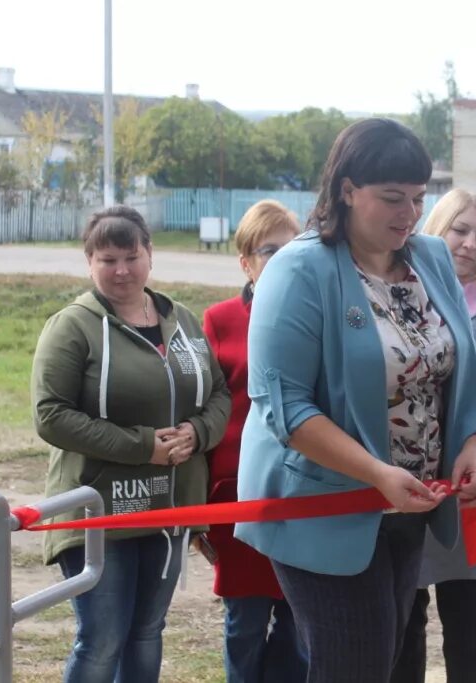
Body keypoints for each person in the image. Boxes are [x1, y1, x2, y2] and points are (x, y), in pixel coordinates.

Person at [234, 118, 476, 683]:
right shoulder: (298, 271)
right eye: (392, 198)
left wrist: (472, 445)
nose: (410, 214)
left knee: (391, 659)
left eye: (419, 199)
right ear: (347, 191)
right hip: (325, 508)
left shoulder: (430, 257)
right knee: (356, 664)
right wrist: (377, 473)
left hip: (404, 505)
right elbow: (287, 409)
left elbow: (465, 366)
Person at [31, 205, 231, 683]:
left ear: (149, 254)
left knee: (147, 631)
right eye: (107, 259)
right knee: (102, 639)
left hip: (171, 507)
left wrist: (197, 433)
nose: (121, 270)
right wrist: (144, 447)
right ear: (89, 262)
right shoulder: (72, 326)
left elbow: (219, 392)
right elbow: (50, 414)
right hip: (98, 510)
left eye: (130, 255)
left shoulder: (179, 319)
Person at [393, 189, 476, 683]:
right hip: (407, 477)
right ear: (435, 228)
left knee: (467, 608)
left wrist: (423, 412)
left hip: (469, 484)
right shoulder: (400, 297)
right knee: (406, 608)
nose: (470, 244)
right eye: (460, 230)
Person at [199, 200, 306, 683]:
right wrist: (200, 505)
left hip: (301, 490)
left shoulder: (311, 315)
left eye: (291, 249)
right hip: (237, 490)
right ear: (245, 261)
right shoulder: (219, 320)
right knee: (244, 620)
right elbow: (205, 409)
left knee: (297, 621)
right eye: (269, 251)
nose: (282, 260)